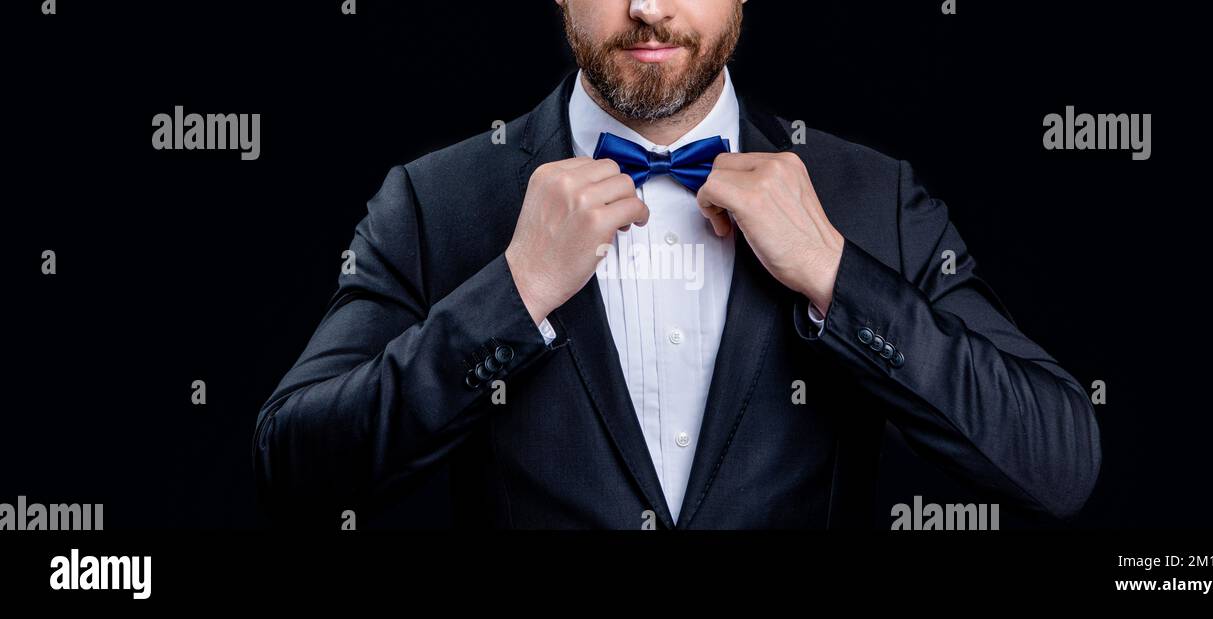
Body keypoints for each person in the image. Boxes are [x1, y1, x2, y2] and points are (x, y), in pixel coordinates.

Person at [254, 0, 1101, 529]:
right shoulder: (435, 203)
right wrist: (509, 296)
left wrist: (839, 275)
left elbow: (1058, 461)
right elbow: (291, 465)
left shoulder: (871, 198)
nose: (648, 7)